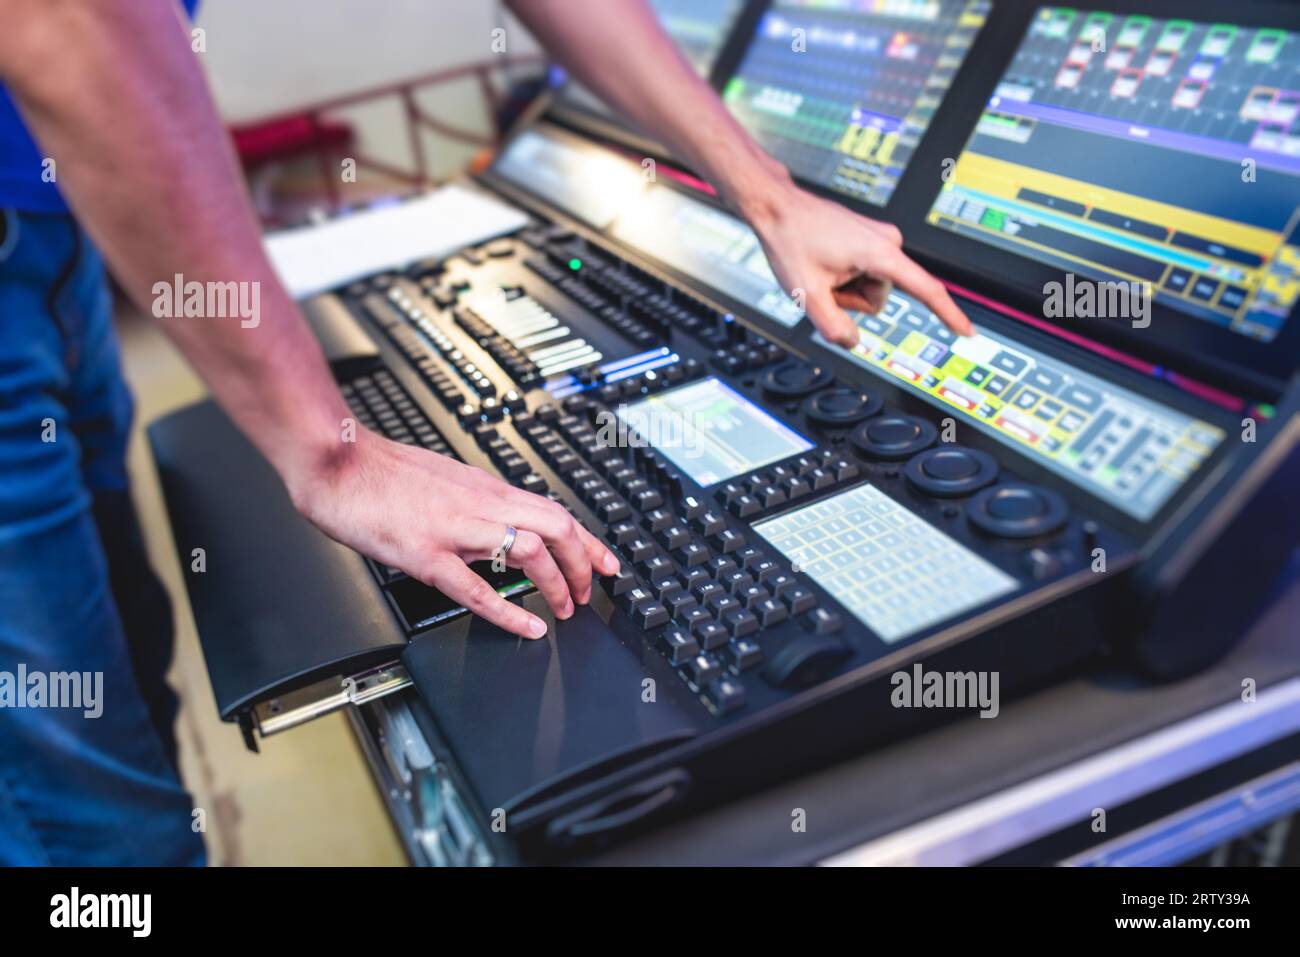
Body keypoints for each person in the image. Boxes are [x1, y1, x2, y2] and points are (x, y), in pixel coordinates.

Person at [0, 0, 971, 865]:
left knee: (114, 668)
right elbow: (68, 24)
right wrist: (331, 454)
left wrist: (769, 199)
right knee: (78, 800)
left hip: (50, 224)